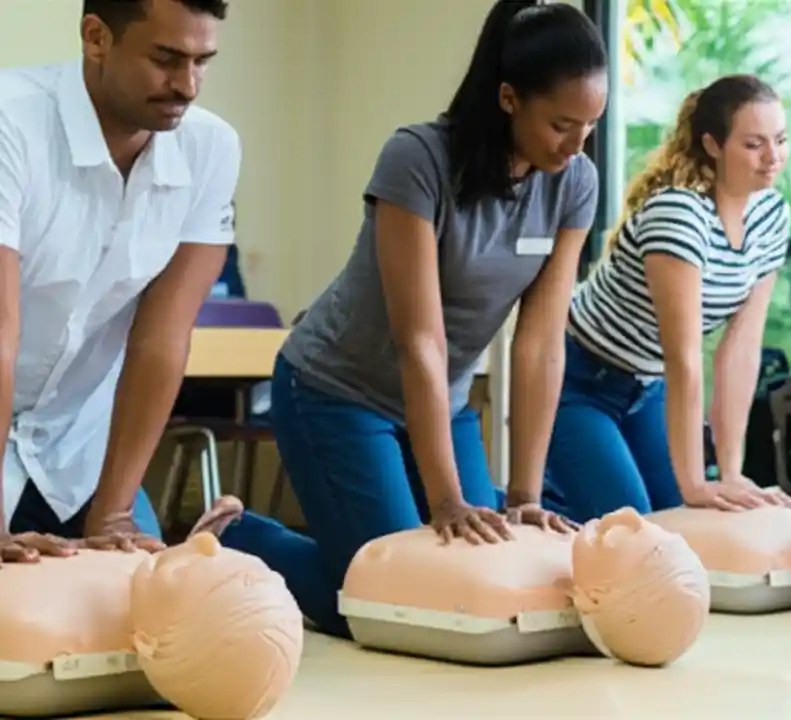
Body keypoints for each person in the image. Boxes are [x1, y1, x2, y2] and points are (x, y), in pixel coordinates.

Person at [195, 0, 608, 639]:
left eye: (591, 125)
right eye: (561, 123)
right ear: (508, 98)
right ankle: (235, 534)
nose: (579, 144)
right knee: (378, 601)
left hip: (444, 400)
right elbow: (420, 335)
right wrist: (445, 499)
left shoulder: (575, 181)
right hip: (336, 390)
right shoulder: (418, 158)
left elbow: (540, 343)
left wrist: (524, 495)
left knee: (470, 579)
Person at [0, 0, 238, 565]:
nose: (187, 85)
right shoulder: (11, 120)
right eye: (166, 59)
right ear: (95, 37)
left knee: (135, 598)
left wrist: (113, 514)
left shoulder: (212, 147)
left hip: (73, 445)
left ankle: (244, 538)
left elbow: (162, 339)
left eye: (203, 61)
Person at [541, 74, 791, 523]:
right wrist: (696, 483)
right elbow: (684, 357)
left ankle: (566, 497)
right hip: (577, 381)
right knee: (636, 530)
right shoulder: (679, 213)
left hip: (648, 387)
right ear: (713, 146)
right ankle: (539, 501)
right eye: (754, 144)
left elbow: (740, 349)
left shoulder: (772, 216)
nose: (772, 157)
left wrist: (731, 473)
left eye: (780, 139)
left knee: (681, 523)